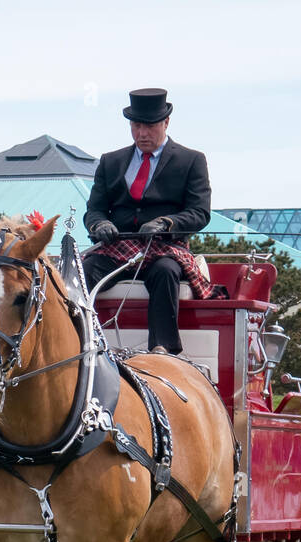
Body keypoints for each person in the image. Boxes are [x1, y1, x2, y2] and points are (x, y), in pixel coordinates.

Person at [82, 87, 212, 353]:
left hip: (164, 249)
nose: (142, 133)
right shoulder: (110, 161)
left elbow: (200, 212)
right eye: (136, 125)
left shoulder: (191, 161)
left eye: (150, 126)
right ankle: (79, 342)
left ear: (166, 122)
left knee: (166, 272)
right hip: (116, 249)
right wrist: (99, 225)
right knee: (82, 273)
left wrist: (166, 224)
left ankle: (163, 350)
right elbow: (93, 210)